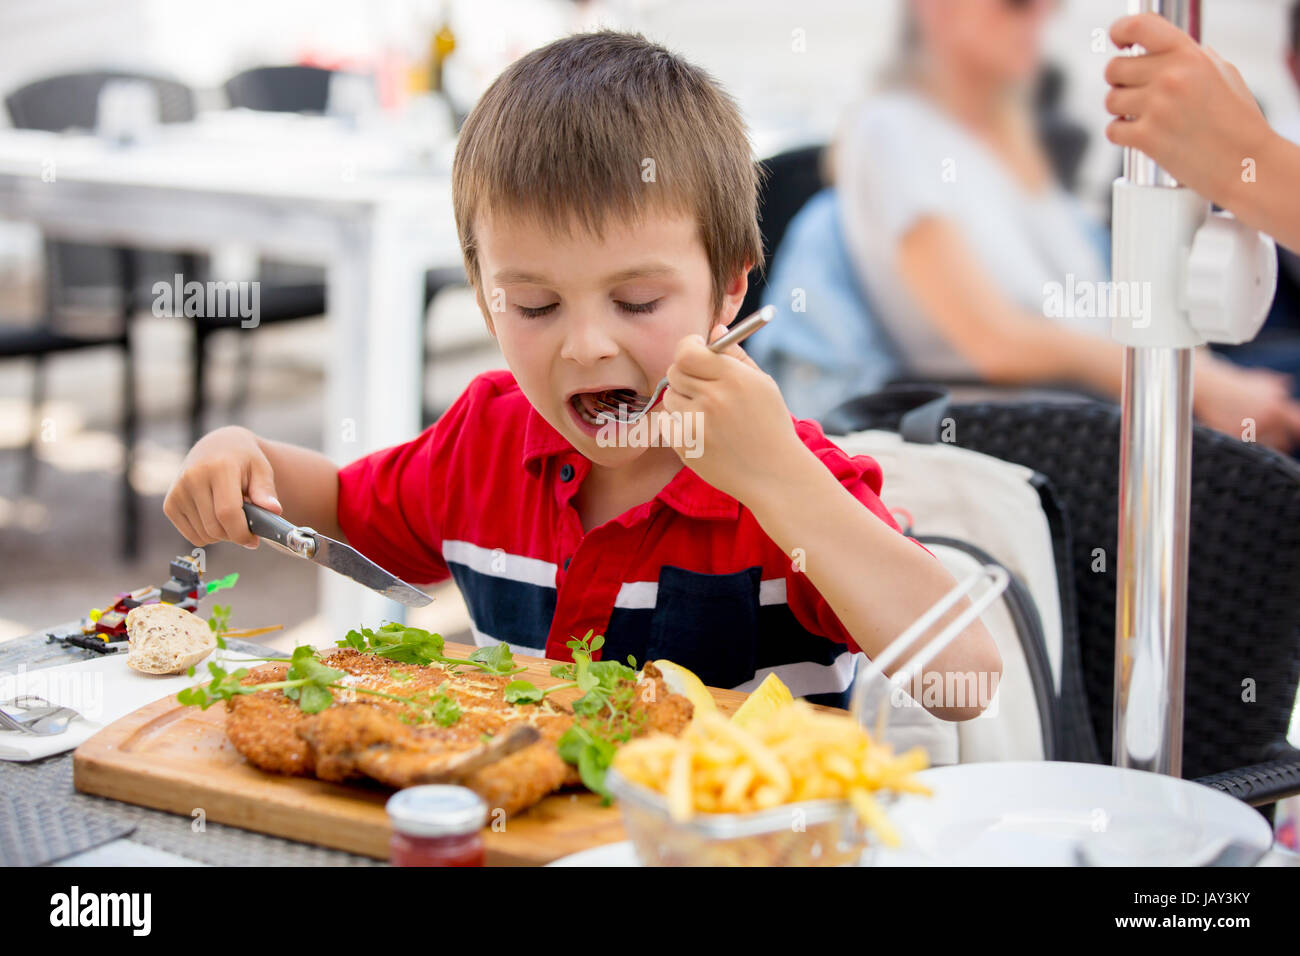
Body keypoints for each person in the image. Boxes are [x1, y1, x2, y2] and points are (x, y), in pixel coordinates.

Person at [162, 32, 1000, 717]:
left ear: (732, 288)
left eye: (636, 300)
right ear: (486, 304)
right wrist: (242, 455)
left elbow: (965, 679)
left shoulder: (785, 471)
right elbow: (341, 506)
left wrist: (779, 481)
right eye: (535, 306)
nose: (588, 346)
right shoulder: (485, 436)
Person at [806, 0, 1300, 449]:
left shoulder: (1010, 147)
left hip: (1127, 391)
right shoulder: (893, 130)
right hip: (1057, 428)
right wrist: (1206, 386)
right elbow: (992, 342)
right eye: (1016, 6)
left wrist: (1209, 378)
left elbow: (1102, 306)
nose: (1043, 14)